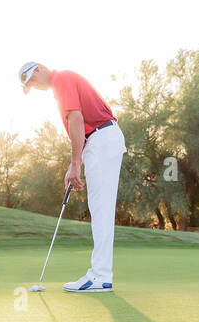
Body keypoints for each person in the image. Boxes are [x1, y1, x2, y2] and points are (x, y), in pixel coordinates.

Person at [19, 61, 125, 292]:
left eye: (32, 81)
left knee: (100, 209)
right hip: (101, 140)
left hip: (101, 138)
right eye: (31, 86)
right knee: (100, 208)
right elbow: (79, 124)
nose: (35, 86)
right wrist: (80, 159)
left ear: (39, 69)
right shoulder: (61, 83)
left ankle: (100, 276)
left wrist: (74, 164)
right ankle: (101, 275)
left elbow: (76, 119)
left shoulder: (62, 80)